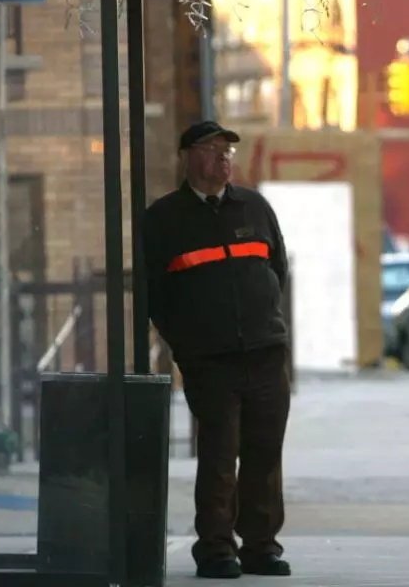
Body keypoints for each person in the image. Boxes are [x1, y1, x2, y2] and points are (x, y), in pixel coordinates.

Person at [144, 121, 293, 579]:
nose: (223, 157)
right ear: (186, 157)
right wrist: (187, 346)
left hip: (264, 352)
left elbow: (277, 270)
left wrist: (267, 323)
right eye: (212, 149)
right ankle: (215, 549)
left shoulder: (254, 206)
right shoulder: (165, 218)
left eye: (227, 149)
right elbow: (156, 294)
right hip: (210, 360)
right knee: (219, 455)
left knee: (265, 452)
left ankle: (261, 547)